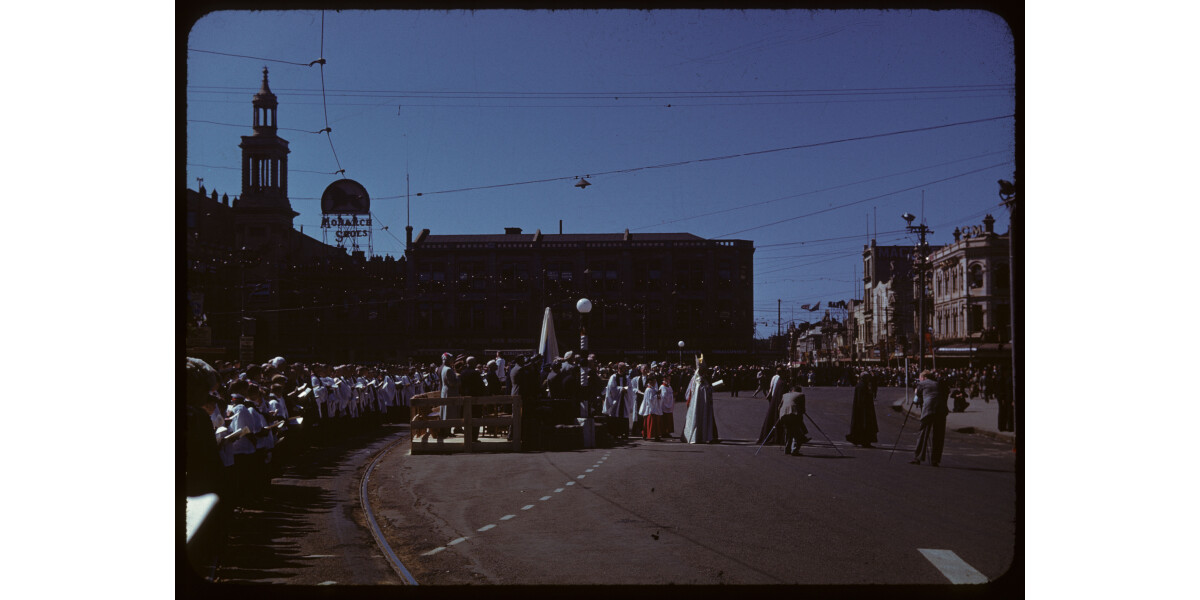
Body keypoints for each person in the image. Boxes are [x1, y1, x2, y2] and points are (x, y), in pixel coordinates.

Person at [910, 370, 950, 467]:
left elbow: (917, 399)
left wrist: (916, 391)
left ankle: (918, 457)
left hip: (929, 410)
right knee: (939, 435)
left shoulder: (922, 384)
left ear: (923, 377)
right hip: (941, 409)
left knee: (923, 433)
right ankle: (935, 460)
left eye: (920, 377)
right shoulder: (937, 384)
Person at [681, 361, 718, 444]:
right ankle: (695, 436)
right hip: (696, 404)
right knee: (695, 417)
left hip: (705, 403)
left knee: (707, 418)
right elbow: (694, 390)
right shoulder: (696, 379)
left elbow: (708, 388)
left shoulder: (705, 379)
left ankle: (708, 436)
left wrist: (710, 388)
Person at [602, 363, 637, 439]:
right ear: (617, 368)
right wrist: (621, 389)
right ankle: (615, 433)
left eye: (623, 368)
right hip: (616, 400)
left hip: (624, 399)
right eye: (620, 368)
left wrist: (626, 389)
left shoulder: (627, 377)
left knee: (624, 415)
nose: (621, 370)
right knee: (615, 415)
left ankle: (624, 433)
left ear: (625, 369)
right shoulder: (613, 377)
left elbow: (630, 388)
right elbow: (611, 388)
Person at [845, 372, 879, 448]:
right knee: (864, 425)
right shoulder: (861, 386)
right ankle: (864, 441)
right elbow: (862, 399)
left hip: (865, 409)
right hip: (863, 410)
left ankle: (864, 441)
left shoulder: (863, 385)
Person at [756, 367, 786, 445]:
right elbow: (772, 387)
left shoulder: (778, 379)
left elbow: (771, 387)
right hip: (776, 399)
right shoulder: (781, 381)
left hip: (774, 398)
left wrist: (769, 395)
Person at [778, 383, 810, 456]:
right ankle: (795, 450)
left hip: (783, 415)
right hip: (793, 415)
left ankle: (787, 449)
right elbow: (802, 409)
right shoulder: (801, 395)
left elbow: (779, 406)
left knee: (788, 432)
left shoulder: (785, 395)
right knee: (797, 434)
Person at [638, 374, 664, 441]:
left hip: (654, 407)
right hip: (650, 408)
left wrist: (658, 394)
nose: (655, 382)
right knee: (650, 422)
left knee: (655, 423)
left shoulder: (653, 389)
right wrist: (656, 396)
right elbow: (650, 400)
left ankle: (655, 435)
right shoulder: (648, 390)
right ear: (650, 381)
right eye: (653, 381)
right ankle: (647, 435)